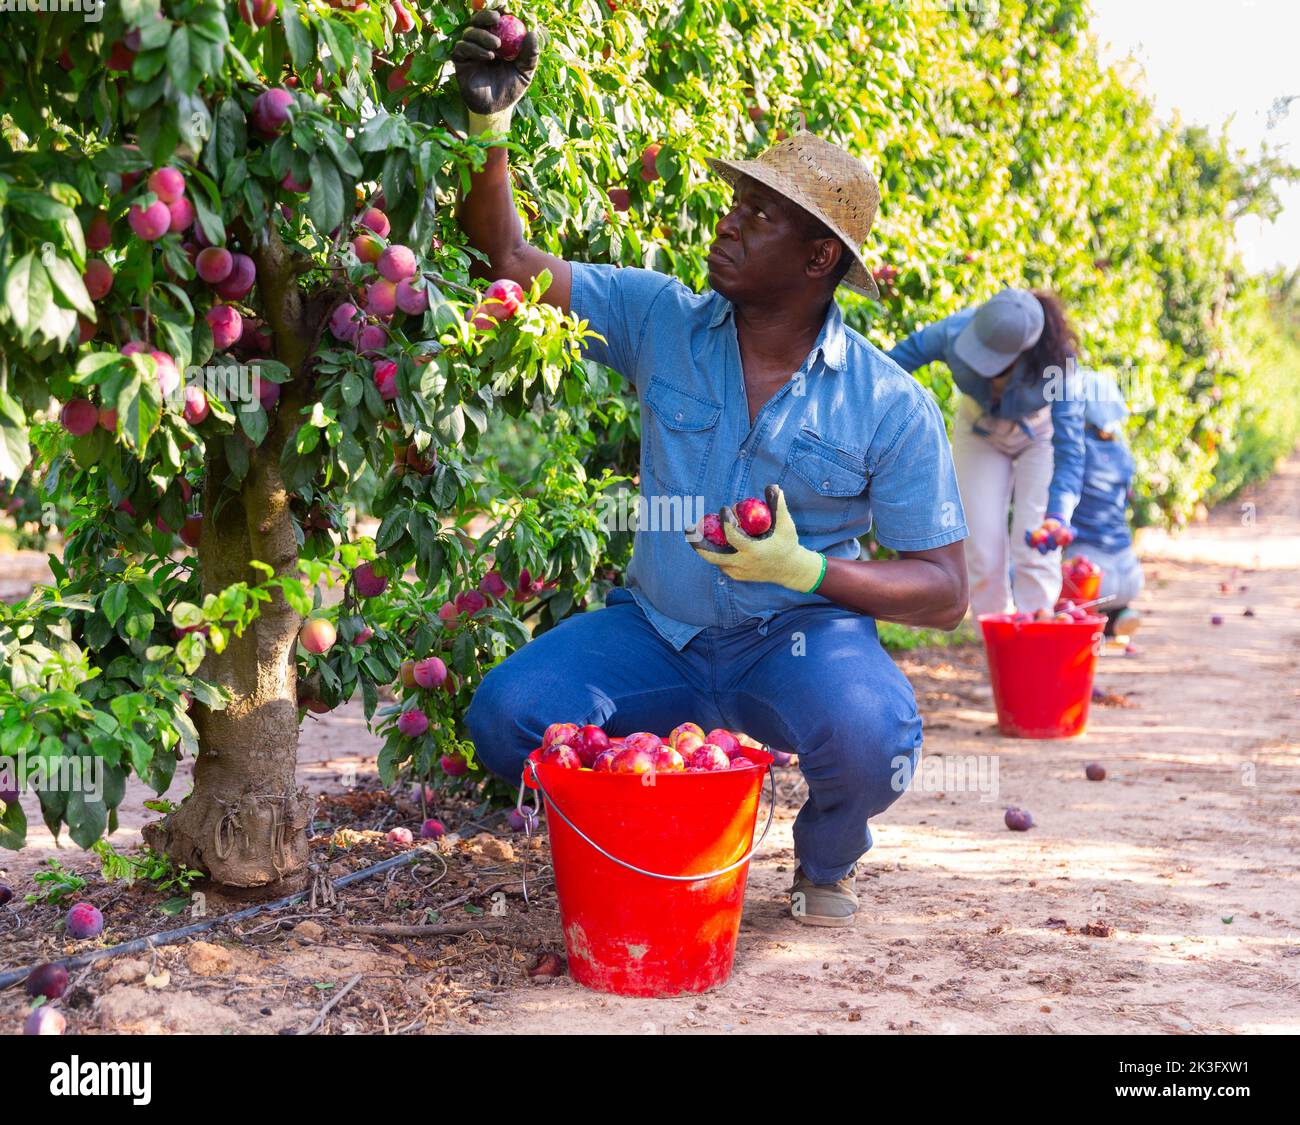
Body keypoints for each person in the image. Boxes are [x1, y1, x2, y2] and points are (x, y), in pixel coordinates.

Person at [451, 10, 968, 927]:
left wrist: (807, 571)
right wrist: (491, 128)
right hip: (659, 632)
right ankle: (655, 823)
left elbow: (943, 589)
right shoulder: (658, 318)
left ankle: (827, 859)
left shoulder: (889, 402)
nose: (726, 227)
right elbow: (511, 258)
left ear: (818, 258)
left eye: (758, 216)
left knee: (872, 735)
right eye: (735, 204)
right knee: (508, 714)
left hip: (797, 638)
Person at [887, 289, 1085, 618]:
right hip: (979, 426)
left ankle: (1037, 631)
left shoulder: (1058, 365)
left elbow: (1070, 447)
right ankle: (996, 638)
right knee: (981, 547)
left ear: (1027, 352)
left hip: (1038, 434)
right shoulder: (952, 331)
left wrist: (1059, 515)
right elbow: (889, 368)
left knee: (1035, 542)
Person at [1064, 370, 1144, 635]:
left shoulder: (1073, 449)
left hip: (1091, 575)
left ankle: (1092, 617)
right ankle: (1116, 615)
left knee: (1039, 559)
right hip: (1128, 569)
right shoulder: (1122, 453)